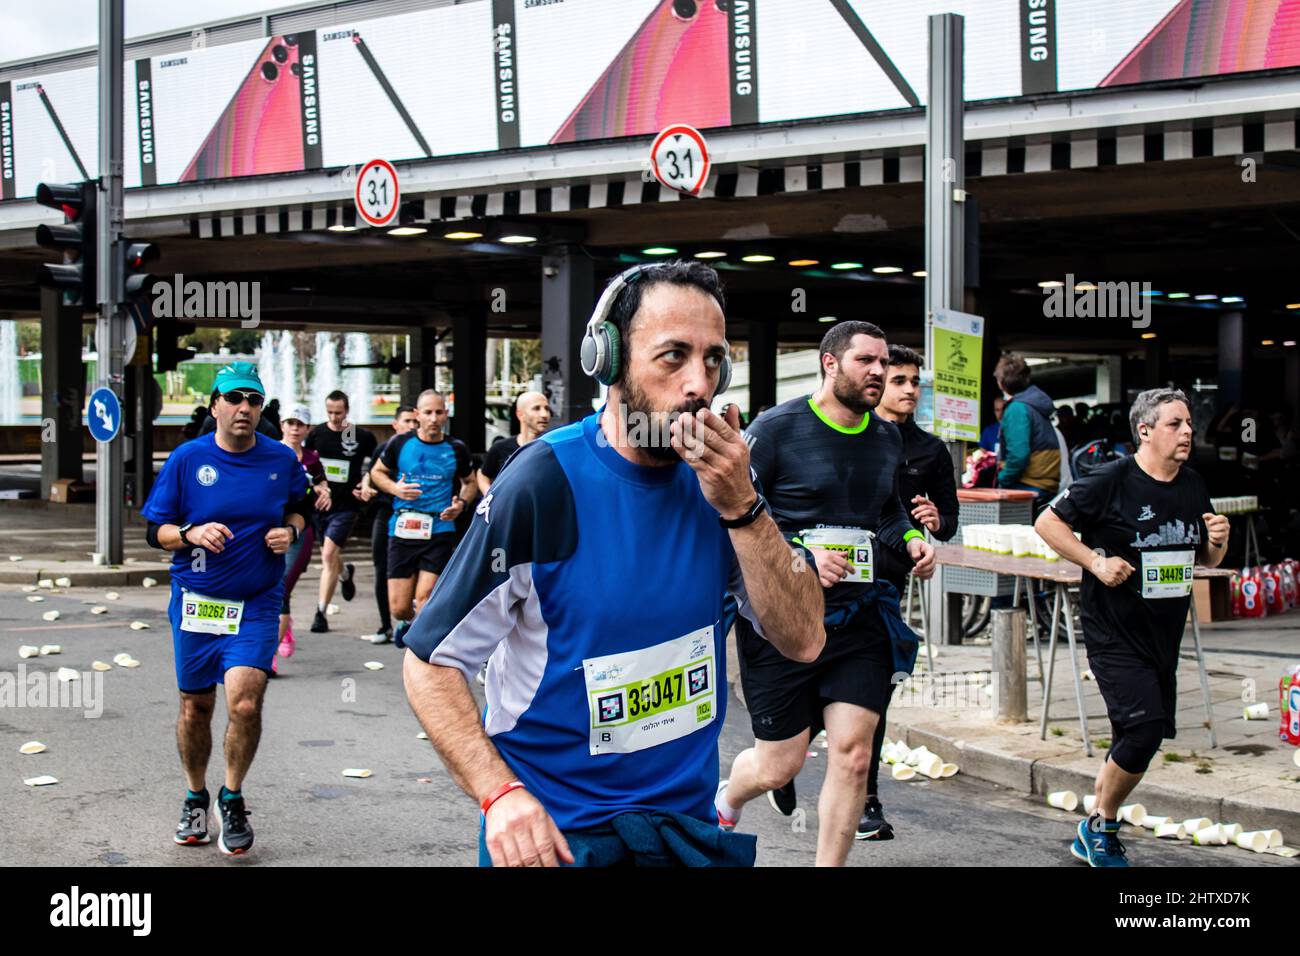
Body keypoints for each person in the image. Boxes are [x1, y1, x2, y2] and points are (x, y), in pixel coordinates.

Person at [402, 260, 824, 867]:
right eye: (672, 356)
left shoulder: (727, 480)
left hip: (686, 834)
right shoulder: (544, 483)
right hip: (557, 841)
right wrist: (500, 796)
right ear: (608, 361)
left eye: (713, 360)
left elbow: (804, 638)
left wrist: (743, 508)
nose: (697, 384)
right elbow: (430, 662)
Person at [717, 320, 936, 867]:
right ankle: (728, 795)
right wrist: (800, 557)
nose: (880, 373)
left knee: (856, 755)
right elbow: (737, 512)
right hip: (783, 617)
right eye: (867, 361)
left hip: (859, 616)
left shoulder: (887, 437)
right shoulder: (775, 430)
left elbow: (885, 511)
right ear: (830, 363)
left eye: (884, 363)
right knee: (780, 765)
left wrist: (911, 539)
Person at [1034, 388, 1229, 867]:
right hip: (1113, 630)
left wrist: (1219, 543)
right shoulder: (1111, 480)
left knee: (1140, 733)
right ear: (1144, 431)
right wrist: (1096, 562)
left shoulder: (1193, 484)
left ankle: (1095, 819)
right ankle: (1102, 825)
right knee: (1143, 729)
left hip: (1163, 634)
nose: (1187, 432)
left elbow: (1200, 556)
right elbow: (1047, 523)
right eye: (1175, 424)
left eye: (1188, 424)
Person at [140, 362, 311, 855]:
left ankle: (231, 796)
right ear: (215, 404)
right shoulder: (188, 459)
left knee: (245, 702)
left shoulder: (280, 459)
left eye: (254, 400)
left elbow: (300, 506)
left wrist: (292, 530)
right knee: (197, 707)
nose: (245, 408)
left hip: (257, 601)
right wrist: (190, 533)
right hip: (197, 602)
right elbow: (156, 531)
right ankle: (196, 795)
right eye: (235, 398)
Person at [856, 342, 958, 840]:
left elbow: (949, 522)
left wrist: (936, 522)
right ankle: (779, 762)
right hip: (827, 584)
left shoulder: (931, 451)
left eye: (915, 382)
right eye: (899, 381)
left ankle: (866, 801)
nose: (909, 390)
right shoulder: (851, 439)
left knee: (874, 694)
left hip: (887, 589)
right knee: (812, 691)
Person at [368, 390, 477, 647]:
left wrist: (460, 504)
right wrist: (396, 489)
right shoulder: (400, 444)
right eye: (427, 412)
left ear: (446, 414)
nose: (433, 418)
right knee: (399, 608)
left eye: (439, 412)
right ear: (417, 415)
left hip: (439, 528)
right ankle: (410, 622)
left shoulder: (456, 448)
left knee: (426, 596)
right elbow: (377, 472)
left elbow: (470, 483)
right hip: (403, 529)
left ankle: (422, 650)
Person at [304, 390, 377, 633]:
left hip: (347, 506)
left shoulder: (360, 436)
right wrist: (316, 486)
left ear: (347, 411)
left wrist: (365, 482)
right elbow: (307, 464)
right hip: (321, 506)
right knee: (330, 555)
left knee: (327, 555)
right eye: (330, 413)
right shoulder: (316, 434)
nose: (334, 418)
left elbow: (375, 465)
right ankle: (345, 572)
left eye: (339, 412)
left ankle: (320, 613)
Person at [356, 405, 418, 643]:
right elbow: (371, 474)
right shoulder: (385, 448)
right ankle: (385, 626)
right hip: (386, 514)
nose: (411, 426)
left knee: (412, 570)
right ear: (395, 424)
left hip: (414, 517)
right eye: (406, 421)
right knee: (382, 568)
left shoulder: (422, 450)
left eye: (414, 421)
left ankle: (409, 621)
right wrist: (367, 487)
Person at [276, 405, 332, 665]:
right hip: (268, 527)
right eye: (290, 423)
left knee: (284, 583)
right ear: (282, 425)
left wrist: (325, 492)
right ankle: (277, 639)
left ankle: (270, 650)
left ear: (307, 429)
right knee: (273, 585)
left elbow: (322, 483)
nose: (295, 428)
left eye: (300, 424)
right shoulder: (270, 453)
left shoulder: (311, 458)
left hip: (301, 528)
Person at [994, 353, 1061, 504]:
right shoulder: (1035, 403)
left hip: (1028, 484)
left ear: (1002, 383)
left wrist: (1003, 478)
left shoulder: (1017, 409)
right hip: (1046, 483)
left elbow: (1019, 455)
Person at [477, 391, 552, 495]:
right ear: (520, 414)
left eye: (547, 409)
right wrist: (490, 498)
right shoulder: (500, 447)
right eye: (536, 408)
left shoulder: (554, 447)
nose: (544, 414)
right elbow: (483, 474)